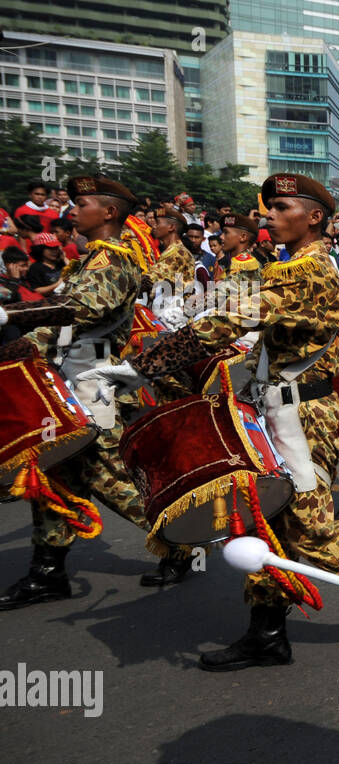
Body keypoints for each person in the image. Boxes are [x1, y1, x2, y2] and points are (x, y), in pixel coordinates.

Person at [96, 173, 339, 670]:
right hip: (282, 407)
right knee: (262, 522)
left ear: (315, 217)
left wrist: (143, 366)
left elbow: (228, 320)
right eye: (268, 206)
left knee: (312, 532)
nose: (268, 213)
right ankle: (266, 634)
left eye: (281, 206)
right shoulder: (292, 265)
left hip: (301, 417)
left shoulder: (304, 271)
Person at [0, 175, 190, 605]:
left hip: (96, 388)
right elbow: (61, 328)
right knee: (56, 472)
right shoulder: (90, 261)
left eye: (81, 202)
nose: (71, 209)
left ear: (107, 213)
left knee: (111, 476)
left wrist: (7, 312)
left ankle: (183, 537)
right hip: (71, 380)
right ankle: (47, 571)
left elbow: (80, 310)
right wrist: (21, 345)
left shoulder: (114, 260)